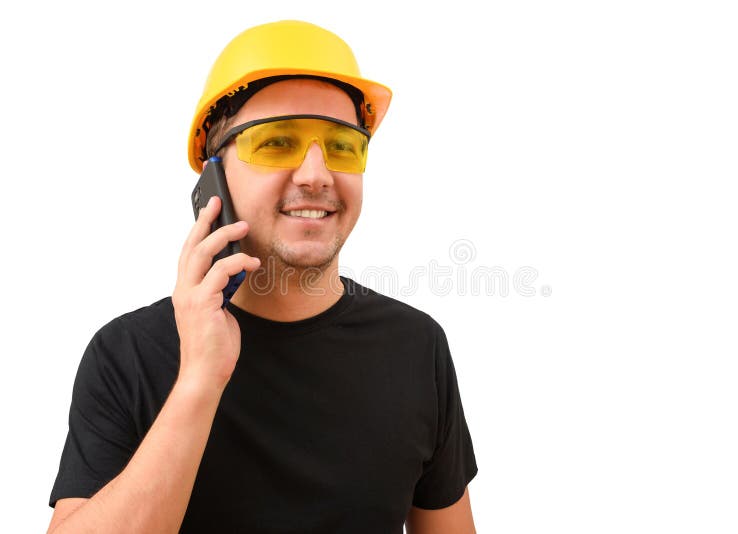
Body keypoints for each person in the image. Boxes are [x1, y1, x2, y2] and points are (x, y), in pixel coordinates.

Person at [47, 20, 478, 534]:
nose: (317, 174)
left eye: (342, 145)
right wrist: (199, 380)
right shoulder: (128, 354)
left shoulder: (416, 346)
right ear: (214, 175)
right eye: (276, 143)